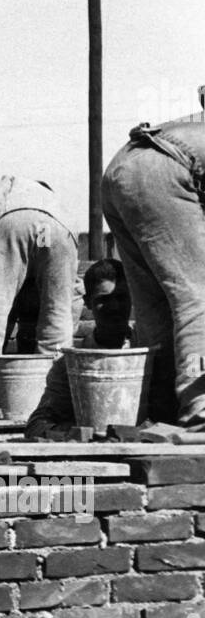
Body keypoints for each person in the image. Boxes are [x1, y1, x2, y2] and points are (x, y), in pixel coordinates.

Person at [101, 116, 205, 428]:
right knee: (197, 297)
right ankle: (201, 410)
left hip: (121, 170)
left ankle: (159, 410)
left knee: (154, 308)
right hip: (166, 170)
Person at [0, 176, 78, 393]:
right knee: (58, 311)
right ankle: (53, 387)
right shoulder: (55, 202)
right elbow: (73, 294)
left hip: (12, 223)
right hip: (60, 229)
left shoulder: (8, 185)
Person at [24, 259, 134, 438]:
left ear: (133, 298)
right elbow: (36, 425)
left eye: (121, 298)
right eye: (103, 300)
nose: (114, 307)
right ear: (87, 302)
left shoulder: (146, 352)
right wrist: (78, 434)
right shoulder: (70, 364)